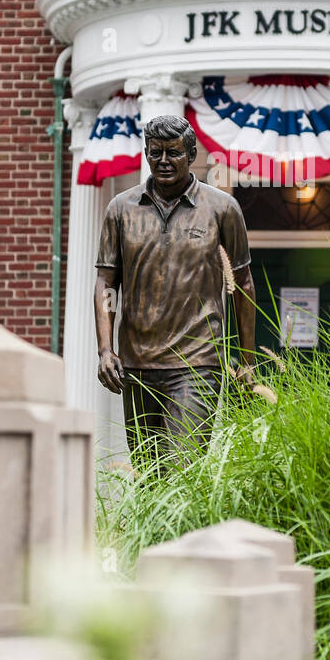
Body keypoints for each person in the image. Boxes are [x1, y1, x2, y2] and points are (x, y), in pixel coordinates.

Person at [94, 114, 255, 470]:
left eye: (173, 153)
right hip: (137, 362)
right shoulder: (121, 209)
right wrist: (105, 349)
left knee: (181, 469)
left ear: (192, 154)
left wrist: (246, 360)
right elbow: (106, 282)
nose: (163, 161)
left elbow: (243, 285)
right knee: (150, 478)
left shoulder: (222, 209)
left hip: (196, 363)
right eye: (155, 153)